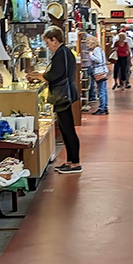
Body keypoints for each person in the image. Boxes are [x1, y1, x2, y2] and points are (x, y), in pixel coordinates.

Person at [42, 26, 81, 174]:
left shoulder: (61, 53)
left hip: (63, 94)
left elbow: (55, 74)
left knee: (68, 129)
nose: (48, 46)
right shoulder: (64, 52)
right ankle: (70, 161)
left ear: (54, 40)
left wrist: (39, 76)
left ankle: (75, 163)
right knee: (66, 129)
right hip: (65, 94)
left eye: (48, 42)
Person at [87, 35, 109, 116]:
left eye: (88, 43)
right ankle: (105, 106)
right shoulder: (99, 49)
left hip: (99, 71)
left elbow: (98, 60)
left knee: (101, 90)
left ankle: (102, 108)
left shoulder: (96, 50)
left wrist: (91, 56)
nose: (87, 45)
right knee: (104, 89)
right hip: (103, 70)